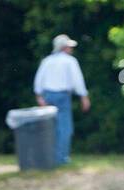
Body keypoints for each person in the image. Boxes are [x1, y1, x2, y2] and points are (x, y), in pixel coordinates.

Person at [33, 34, 89, 165]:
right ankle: (61, 159)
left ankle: (49, 158)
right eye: (69, 46)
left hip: (47, 96)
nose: (71, 49)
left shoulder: (47, 61)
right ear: (64, 47)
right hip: (63, 97)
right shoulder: (70, 61)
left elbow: (38, 80)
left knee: (49, 128)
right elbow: (77, 80)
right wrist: (84, 96)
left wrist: (39, 96)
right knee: (64, 128)